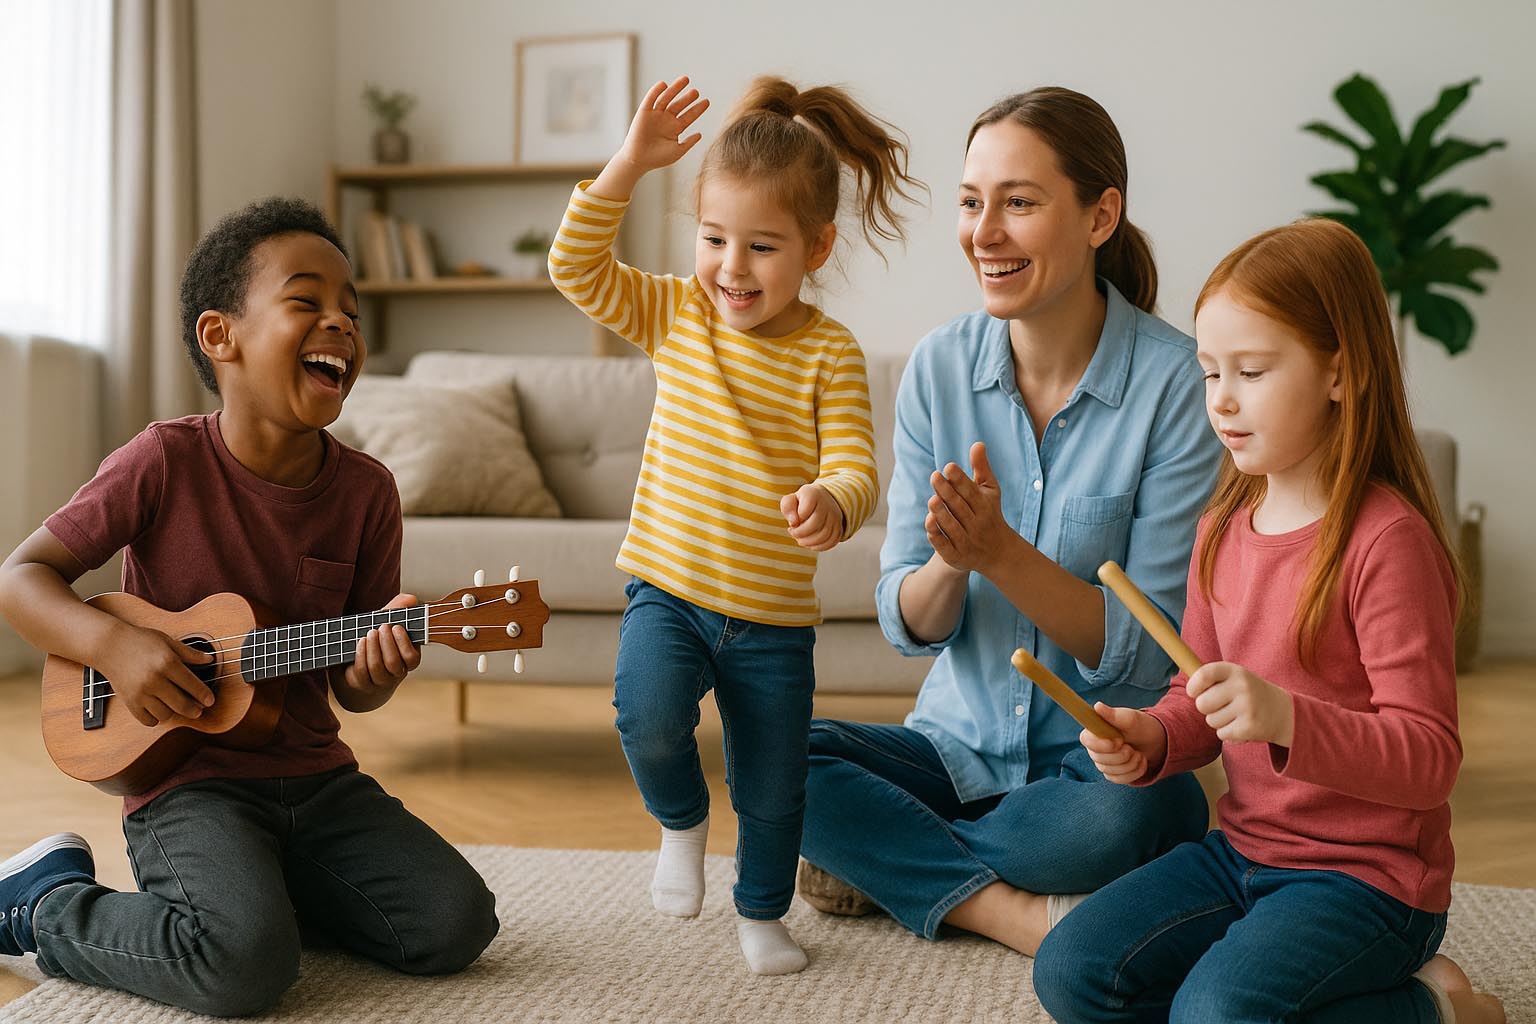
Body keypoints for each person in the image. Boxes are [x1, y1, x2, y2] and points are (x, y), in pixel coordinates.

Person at [0, 199, 498, 1016]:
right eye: (307, 301)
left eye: (352, 311)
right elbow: (21, 577)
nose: (339, 322)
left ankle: (265, 894)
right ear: (219, 337)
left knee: (455, 924)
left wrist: (384, 667)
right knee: (242, 969)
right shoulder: (164, 460)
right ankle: (44, 905)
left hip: (319, 779)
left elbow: (352, 690)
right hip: (189, 782)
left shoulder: (367, 491)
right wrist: (115, 647)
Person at [1033, 218, 1505, 1023]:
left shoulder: (1389, 543)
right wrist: (1150, 738)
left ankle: (1436, 1011)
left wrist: (1286, 715)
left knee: (1214, 1014)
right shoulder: (1221, 527)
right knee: (1070, 971)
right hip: (1243, 853)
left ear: (1339, 373)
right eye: (1211, 371)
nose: (1220, 399)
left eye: (1251, 371)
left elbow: (1431, 760)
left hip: (1372, 882)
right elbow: (1198, 697)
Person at [796, 87, 1223, 955]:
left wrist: (1002, 552)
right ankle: (1009, 909)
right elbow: (907, 624)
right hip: (951, 755)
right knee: (771, 754)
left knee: (1153, 810)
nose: (983, 231)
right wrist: (954, 561)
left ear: (1101, 215)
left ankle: (887, 862)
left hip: (1095, 767)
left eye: (1019, 203)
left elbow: (1152, 645)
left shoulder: (1179, 385)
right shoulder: (937, 368)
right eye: (970, 202)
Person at [548, 74, 922, 974]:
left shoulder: (830, 352)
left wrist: (833, 501)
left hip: (773, 621)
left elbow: (857, 466)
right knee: (646, 716)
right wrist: (631, 161)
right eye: (715, 239)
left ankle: (762, 915)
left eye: (762, 246)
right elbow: (574, 268)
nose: (731, 267)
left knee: (772, 783)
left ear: (816, 247)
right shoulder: (677, 313)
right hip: (669, 592)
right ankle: (679, 822)